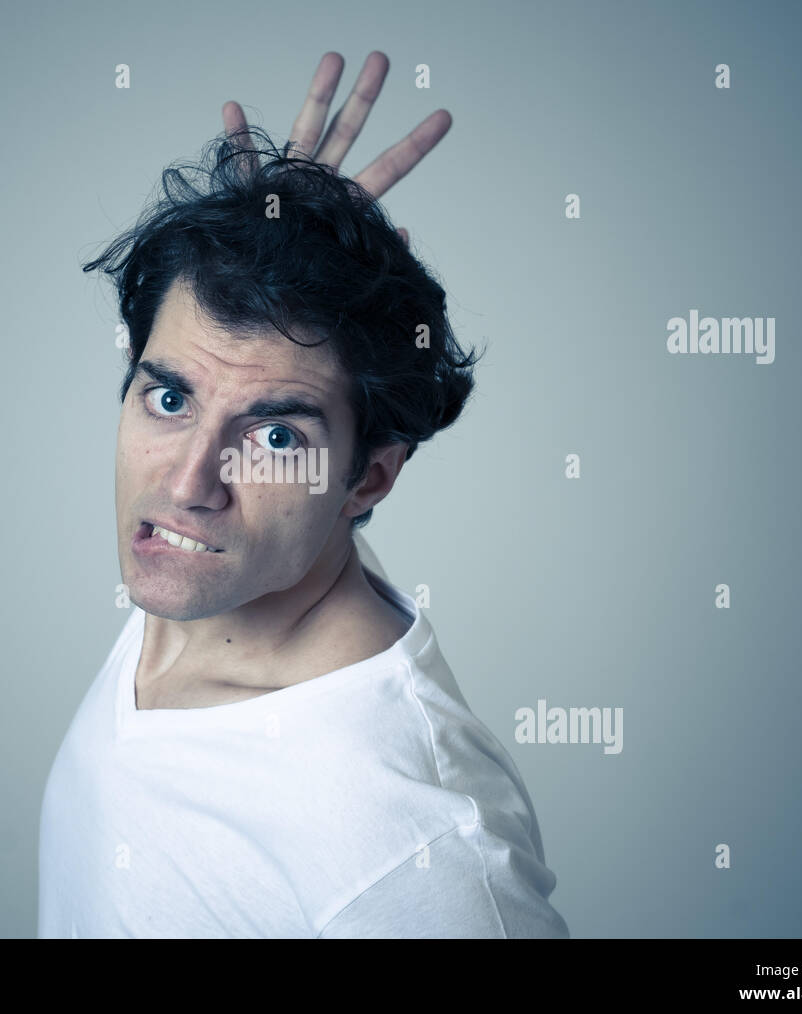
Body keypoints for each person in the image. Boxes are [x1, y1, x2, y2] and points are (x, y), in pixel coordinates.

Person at [38, 52, 569, 938]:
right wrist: (280, 226)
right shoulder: (211, 576)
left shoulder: (410, 842)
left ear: (369, 476)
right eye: (169, 398)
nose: (185, 483)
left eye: (275, 437)